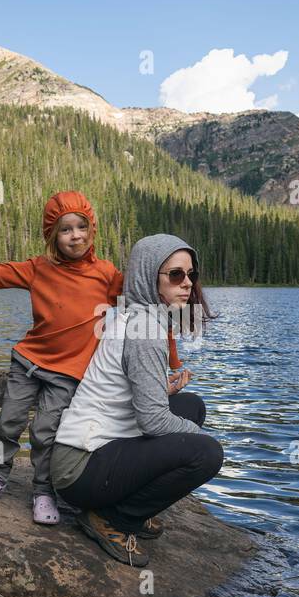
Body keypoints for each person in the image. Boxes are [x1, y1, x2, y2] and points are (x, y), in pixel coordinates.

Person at [0, 192, 183, 524]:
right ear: (53, 235)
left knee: (46, 433)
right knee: (7, 422)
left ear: (91, 230)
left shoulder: (106, 275)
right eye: (65, 230)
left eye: (81, 227)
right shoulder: (38, 268)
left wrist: (173, 363)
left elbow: (149, 308)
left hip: (68, 373)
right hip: (27, 362)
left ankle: (43, 492)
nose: (75, 235)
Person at [51, 234, 222, 567]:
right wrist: (202, 438)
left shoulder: (139, 316)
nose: (187, 283)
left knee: (192, 406)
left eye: (191, 275)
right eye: (175, 275)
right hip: (80, 467)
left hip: (97, 446)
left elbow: (124, 392)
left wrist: (161, 390)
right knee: (207, 453)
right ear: (148, 276)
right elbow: (154, 422)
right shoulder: (145, 328)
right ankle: (113, 519)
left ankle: (124, 501)